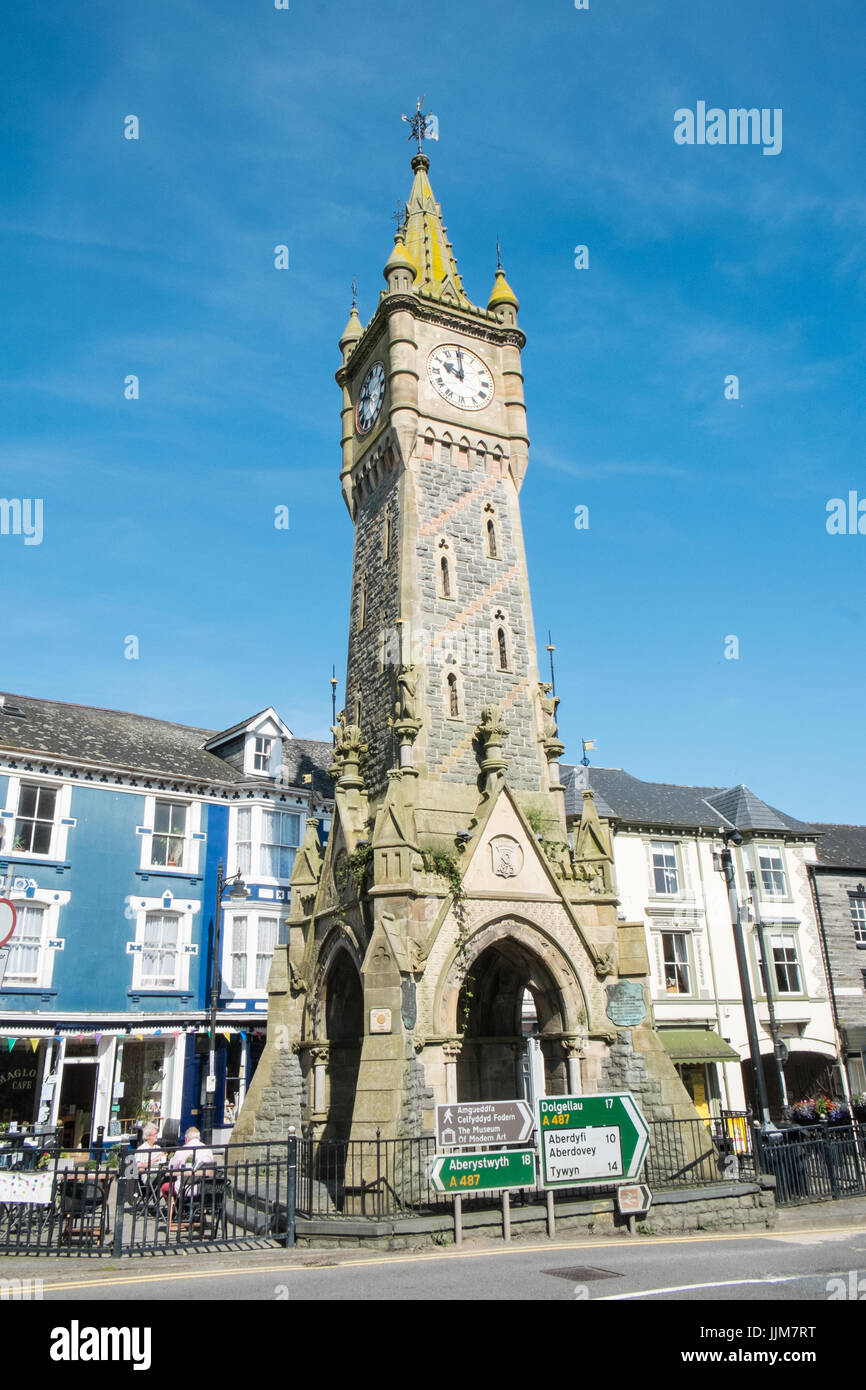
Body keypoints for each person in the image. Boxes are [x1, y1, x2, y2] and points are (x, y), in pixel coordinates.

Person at [161, 1127, 216, 1197]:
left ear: (186, 1139)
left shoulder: (182, 1150)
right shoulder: (208, 1150)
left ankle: (174, 1207)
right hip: (204, 1188)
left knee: (165, 1187)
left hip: (185, 1188)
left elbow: (171, 1167)